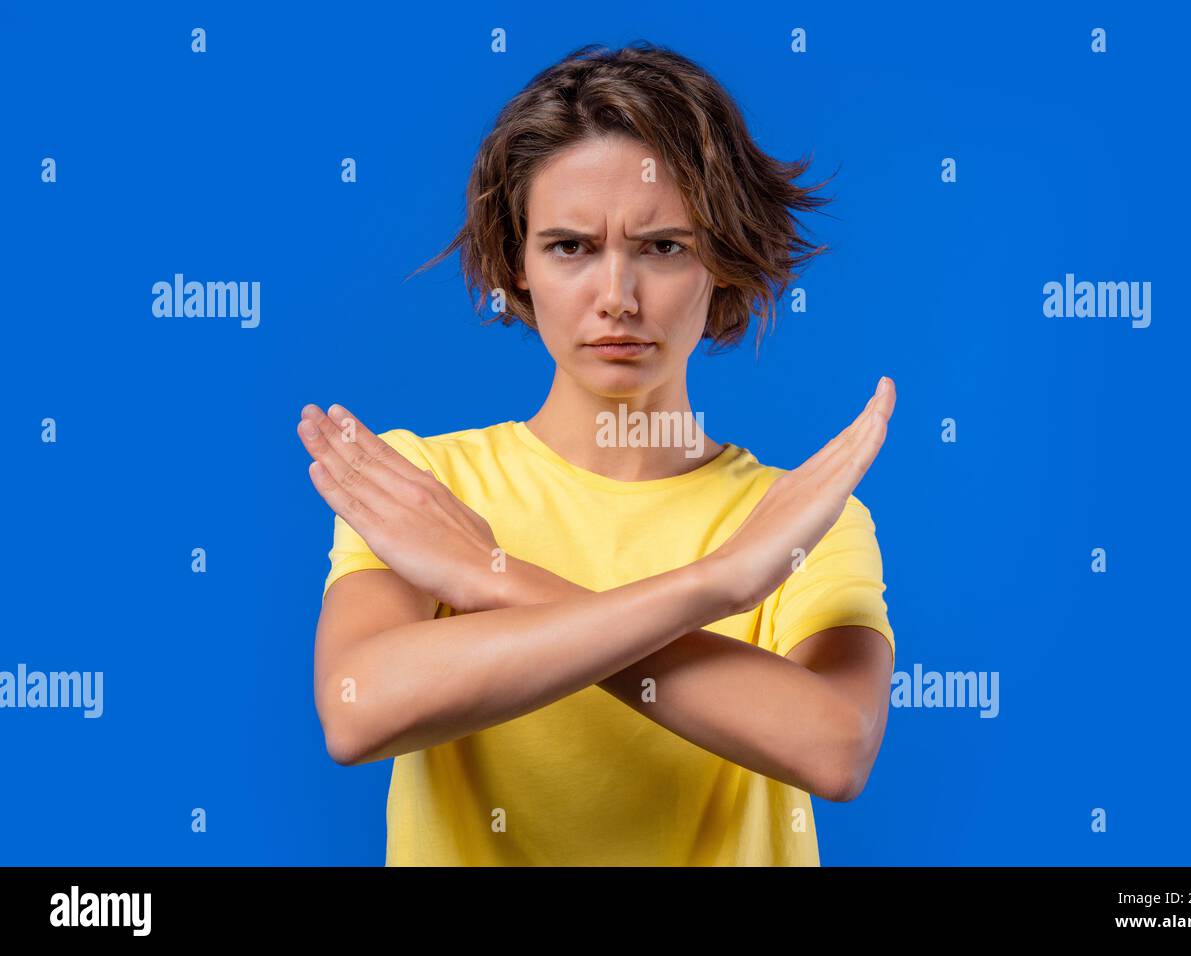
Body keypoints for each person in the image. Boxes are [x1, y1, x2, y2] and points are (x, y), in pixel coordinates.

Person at [296, 41, 898, 866]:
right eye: (571, 247)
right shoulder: (426, 486)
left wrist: (491, 579)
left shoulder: (805, 520)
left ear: (722, 264)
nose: (616, 297)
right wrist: (712, 588)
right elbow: (357, 710)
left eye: (663, 247)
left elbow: (836, 747)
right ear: (518, 265)